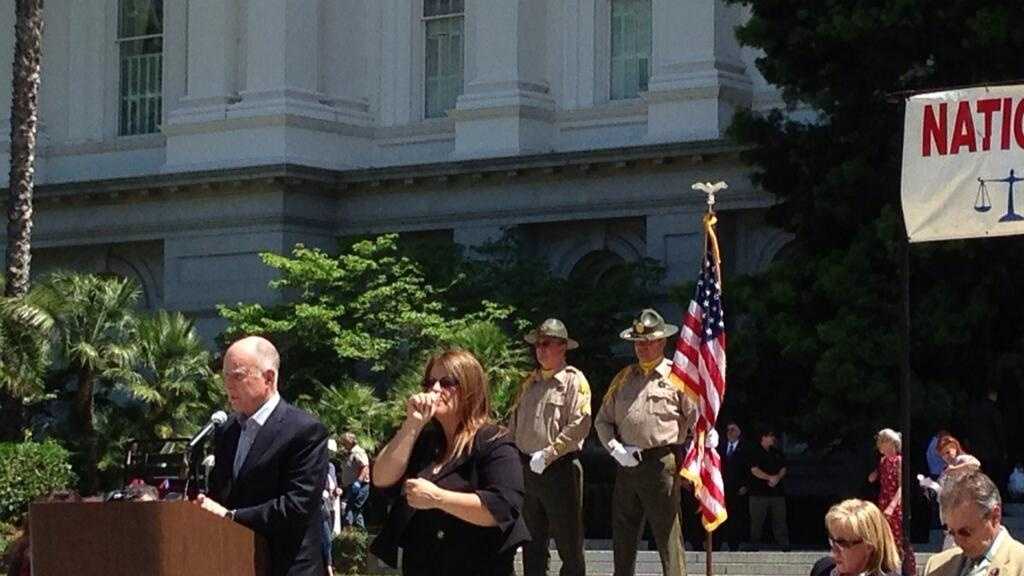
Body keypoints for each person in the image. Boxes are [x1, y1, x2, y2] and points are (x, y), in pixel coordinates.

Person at [370, 348, 529, 576]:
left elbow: (502, 508)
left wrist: (438, 498)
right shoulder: (422, 441)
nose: (435, 390)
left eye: (446, 383)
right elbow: (381, 479)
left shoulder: (494, 441)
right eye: (430, 382)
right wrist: (411, 425)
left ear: (470, 389)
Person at [199, 336, 329, 576]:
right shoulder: (227, 430)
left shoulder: (304, 430)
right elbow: (223, 494)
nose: (227, 385)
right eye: (224, 376)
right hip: (234, 562)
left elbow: (297, 504)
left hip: (287, 566)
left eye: (237, 375)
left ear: (268, 378)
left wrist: (232, 516)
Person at [594, 308, 697, 576]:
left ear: (662, 342)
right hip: (626, 463)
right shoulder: (623, 379)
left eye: (648, 341)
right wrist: (614, 448)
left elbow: (697, 418)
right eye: (638, 342)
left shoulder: (677, 377)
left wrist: (703, 448)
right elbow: (602, 421)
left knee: (668, 535)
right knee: (623, 535)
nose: (642, 347)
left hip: (660, 463)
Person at [509, 318, 591, 576]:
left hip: (559, 470)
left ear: (562, 347)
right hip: (527, 470)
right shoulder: (528, 383)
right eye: (537, 345)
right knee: (532, 541)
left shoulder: (573, 381)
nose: (540, 349)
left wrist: (549, 453)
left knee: (569, 542)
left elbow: (580, 423)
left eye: (546, 344)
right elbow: (513, 424)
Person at [924, 470, 1024, 576]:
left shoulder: (1019, 564)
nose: (957, 541)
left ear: (994, 517)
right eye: (952, 532)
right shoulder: (936, 566)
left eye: (965, 532)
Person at [809, 499, 902, 576]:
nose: (833, 553)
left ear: (869, 546)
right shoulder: (822, 570)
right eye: (832, 541)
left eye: (842, 544)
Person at [867, 428, 915, 576]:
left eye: (882, 442)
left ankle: (905, 569)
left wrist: (893, 505)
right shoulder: (883, 461)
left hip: (896, 505)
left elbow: (902, 486)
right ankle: (890, 568)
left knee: (899, 537)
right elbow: (875, 479)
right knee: (886, 536)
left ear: (891, 443)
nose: (880, 446)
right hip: (884, 501)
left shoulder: (899, 461)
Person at [748, 427, 790, 551]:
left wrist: (777, 477)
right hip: (758, 493)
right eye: (770, 436)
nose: (773, 438)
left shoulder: (776, 452)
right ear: (763, 437)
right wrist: (769, 478)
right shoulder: (754, 452)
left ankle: (784, 544)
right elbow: (754, 470)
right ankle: (754, 544)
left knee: (780, 519)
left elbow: (784, 467)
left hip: (777, 493)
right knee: (757, 520)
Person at [965, 387, 1007, 495]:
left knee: (977, 476)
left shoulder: (974, 409)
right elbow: (999, 431)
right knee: (990, 477)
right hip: (990, 450)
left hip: (975, 450)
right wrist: (1003, 449)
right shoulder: (993, 410)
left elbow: (969, 428)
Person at [718, 421, 750, 551]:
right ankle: (717, 544)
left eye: (733, 429)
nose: (730, 432)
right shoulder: (720, 447)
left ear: (739, 432)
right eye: (728, 430)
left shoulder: (746, 448)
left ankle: (734, 544)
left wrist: (746, 485)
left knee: (736, 518)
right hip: (722, 489)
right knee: (720, 517)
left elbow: (750, 469)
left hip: (738, 490)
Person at [338, 432, 370, 528]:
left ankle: (349, 533)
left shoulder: (358, 451)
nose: (343, 443)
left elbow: (365, 467)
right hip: (350, 486)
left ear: (350, 441)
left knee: (351, 508)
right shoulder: (349, 453)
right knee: (356, 510)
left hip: (359, 486)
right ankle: (360, 534)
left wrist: (358, 481)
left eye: (344, 441)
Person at [323, 439, 342, 576]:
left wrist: (337, 490)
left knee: (330, 536)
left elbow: (334, 484)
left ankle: (328, 564)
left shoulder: (331, 467)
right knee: (325, 538)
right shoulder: (315, 465)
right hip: (321, 507)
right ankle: (328, 567)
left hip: (331, 506)